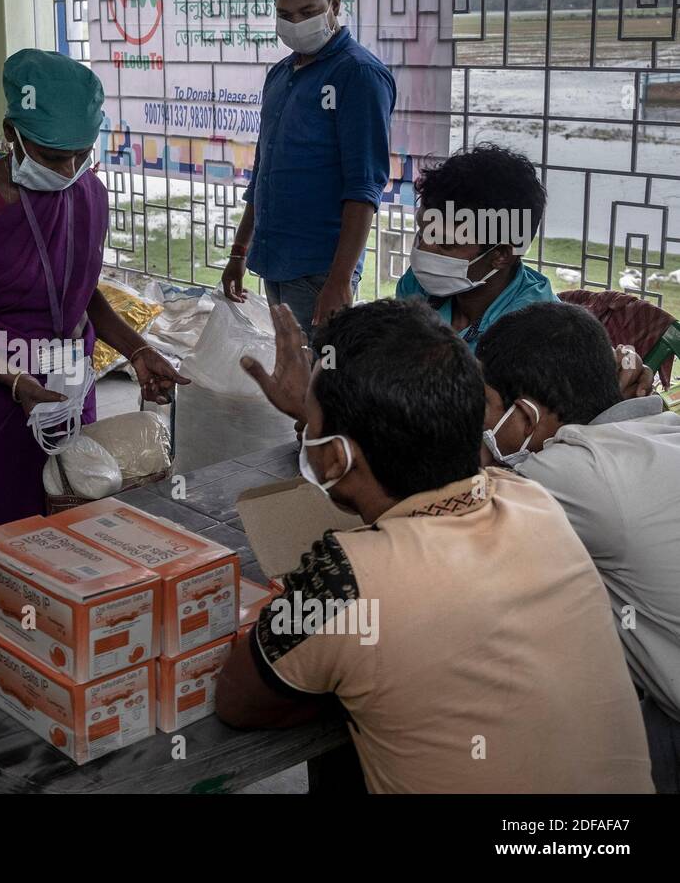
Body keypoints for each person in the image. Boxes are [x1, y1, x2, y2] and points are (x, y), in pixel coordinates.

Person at [218, 298, 653, 793]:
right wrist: (324, 410)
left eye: (310, 428)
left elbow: (239, 702)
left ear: (336, 456)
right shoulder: (532, 498)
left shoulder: (346, 580)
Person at [0, 49, 187, 549]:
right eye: (52, 155)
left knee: (69, 520)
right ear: (11, 132)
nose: (69, 168)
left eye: (81, 154)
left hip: (66, 384)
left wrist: (139, 350)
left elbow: (79, 294)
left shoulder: (90, 193)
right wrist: (13, 380)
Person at [475, 301, 680, 792]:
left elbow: (446, 503)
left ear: (524, 414)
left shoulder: (574, 472)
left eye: (481, 407)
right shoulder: (660, 430)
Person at [222, 0, 396, 339]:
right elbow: (264, 172)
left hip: (320, 270)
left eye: (307, 12)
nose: (296, 24)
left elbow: (363, 187)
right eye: (285, 15)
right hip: (274, 260)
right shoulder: (281, 75)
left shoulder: (358, 75)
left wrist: (339, 282)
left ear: (334, 5)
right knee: (293, 375)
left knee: (324, 380)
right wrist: (239, 251)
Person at [396, 143, 557, 350]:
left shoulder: (536, 333)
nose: (424, 249)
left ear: (501, 255)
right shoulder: (415, 287)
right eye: (423, 231)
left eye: (446, 244)